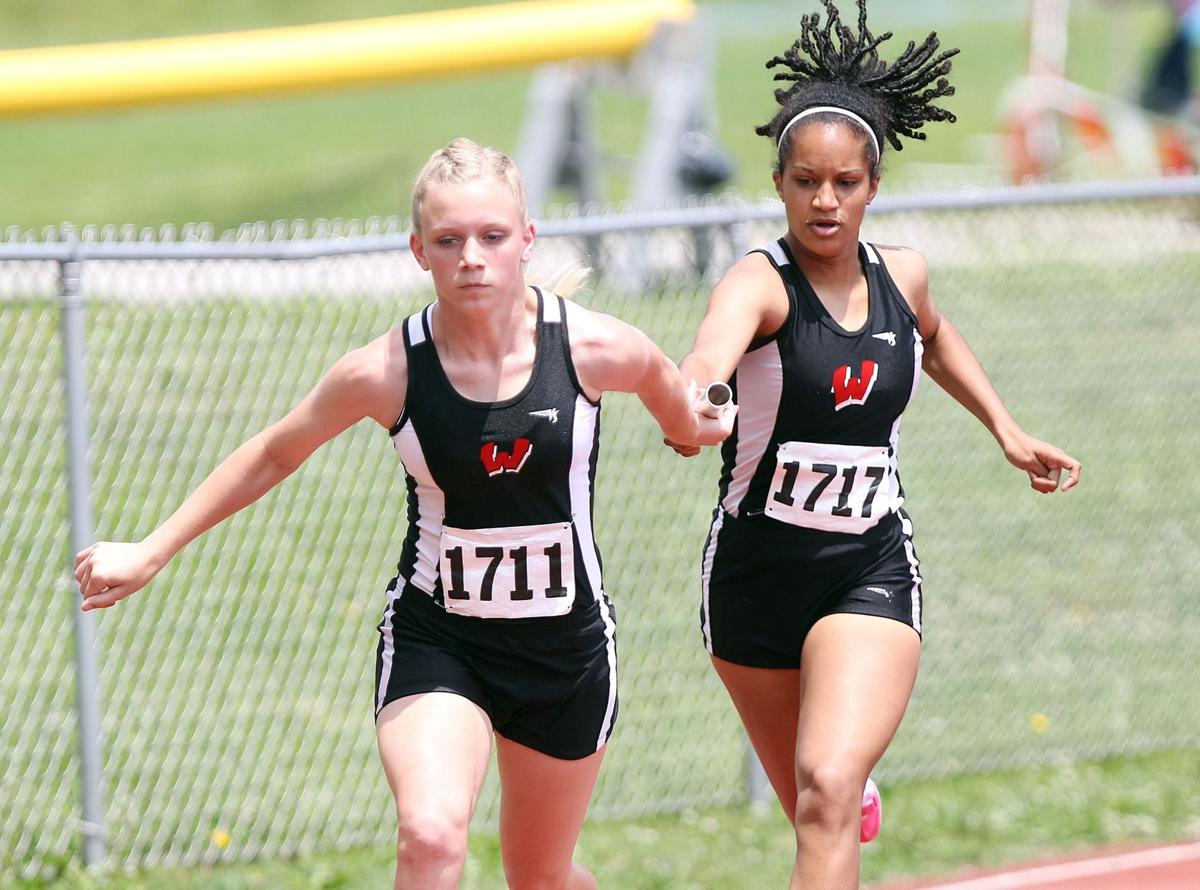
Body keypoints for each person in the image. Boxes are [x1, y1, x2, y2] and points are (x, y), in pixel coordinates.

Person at [73, 137, 734, 890]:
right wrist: (154, 549)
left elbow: (683, 417)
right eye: (449, 241)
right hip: (440, 637)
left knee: (540, 876)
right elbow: (275, 451)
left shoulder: (598, 347)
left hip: (565, 648)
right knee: (429, 835)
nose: (472, 258)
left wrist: (696, 423)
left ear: (527, 238)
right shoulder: (384, 371)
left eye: (491, 236)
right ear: (419, 250)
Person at [667, 2, 1082, 888]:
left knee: (824, 788)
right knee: (816, 809)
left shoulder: (905, 273)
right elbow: (710, 351)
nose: (825, 201)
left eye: (845, 183)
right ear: (779, 184)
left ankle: (845, 781)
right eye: (806, 181)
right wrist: (700, 398)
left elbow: (931, 336)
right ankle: (848, 793)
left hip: (868, 567)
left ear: (872, 186)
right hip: (753, 582)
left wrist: (1005, 429)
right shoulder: (759, 283)